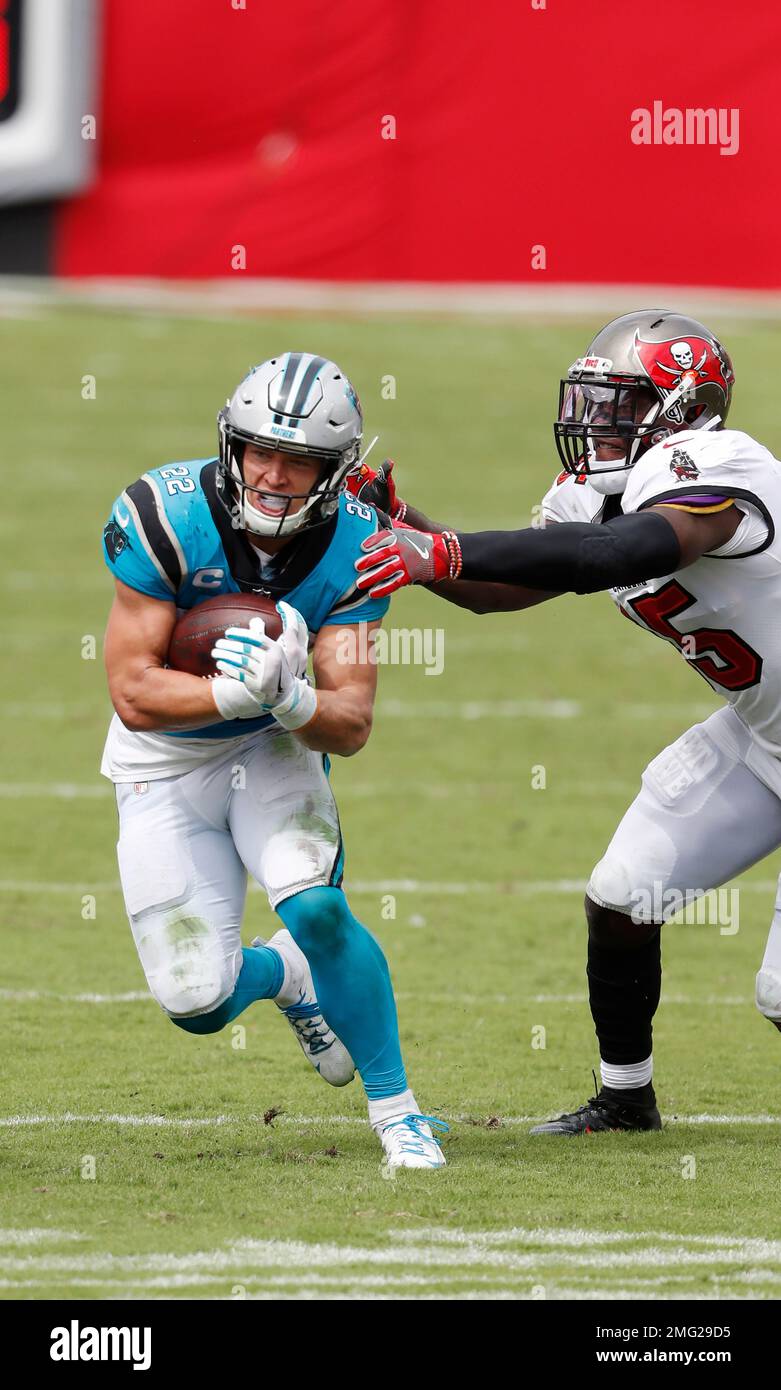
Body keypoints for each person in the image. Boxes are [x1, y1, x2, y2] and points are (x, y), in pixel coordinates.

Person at [353, 310, 781, 1134]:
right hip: (763, 733)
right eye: (592, 399)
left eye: (621, 402)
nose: (596, 419)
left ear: (683, 409)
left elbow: (620, 554)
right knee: (622, 896)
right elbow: (503, 587)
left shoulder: (720, 464)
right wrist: (405, 529)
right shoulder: (596, 486)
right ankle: (624, 1100)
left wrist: (442, 551)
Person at [101, 351, 446, 1168]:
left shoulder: (359, 543)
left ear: (338, 469)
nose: (273, 474)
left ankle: (398, 1113)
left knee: (316, 907)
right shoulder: (163, 512)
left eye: (299, 460)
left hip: (273, 744)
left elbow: (349, 721)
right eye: (260, 449)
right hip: (161, 762)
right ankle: (286, 977)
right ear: (233, 442)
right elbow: (133, 691)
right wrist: (234, 694)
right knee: (196, 1003)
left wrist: (288, 701)